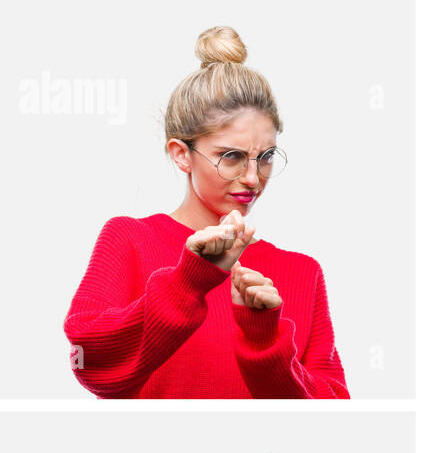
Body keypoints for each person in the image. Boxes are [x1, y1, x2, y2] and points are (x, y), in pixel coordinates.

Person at [64, 26, 346, 399]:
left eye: (265, 158)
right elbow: (92, 363)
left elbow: (331, 411)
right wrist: (188, 282)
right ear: (182, 154)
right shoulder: (129, 238)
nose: (252, 178)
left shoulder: (302, 272)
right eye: (231, 157)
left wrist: (265, 339)